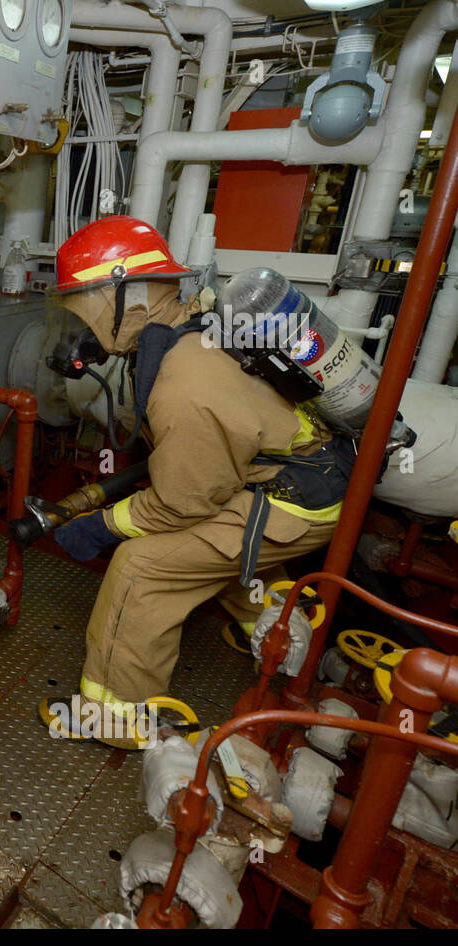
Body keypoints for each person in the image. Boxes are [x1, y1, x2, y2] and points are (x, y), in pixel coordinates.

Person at [39, 216, 346, 747]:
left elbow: (184, 504)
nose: (80, 333)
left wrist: (103, 526)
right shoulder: (196, 320)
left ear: (128, 297)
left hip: (295, 502)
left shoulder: (183, 383)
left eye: (84, 313)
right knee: (197, 537)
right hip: (298, 474)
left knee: (142, 568)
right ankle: (268, 628)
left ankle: (115, 717)